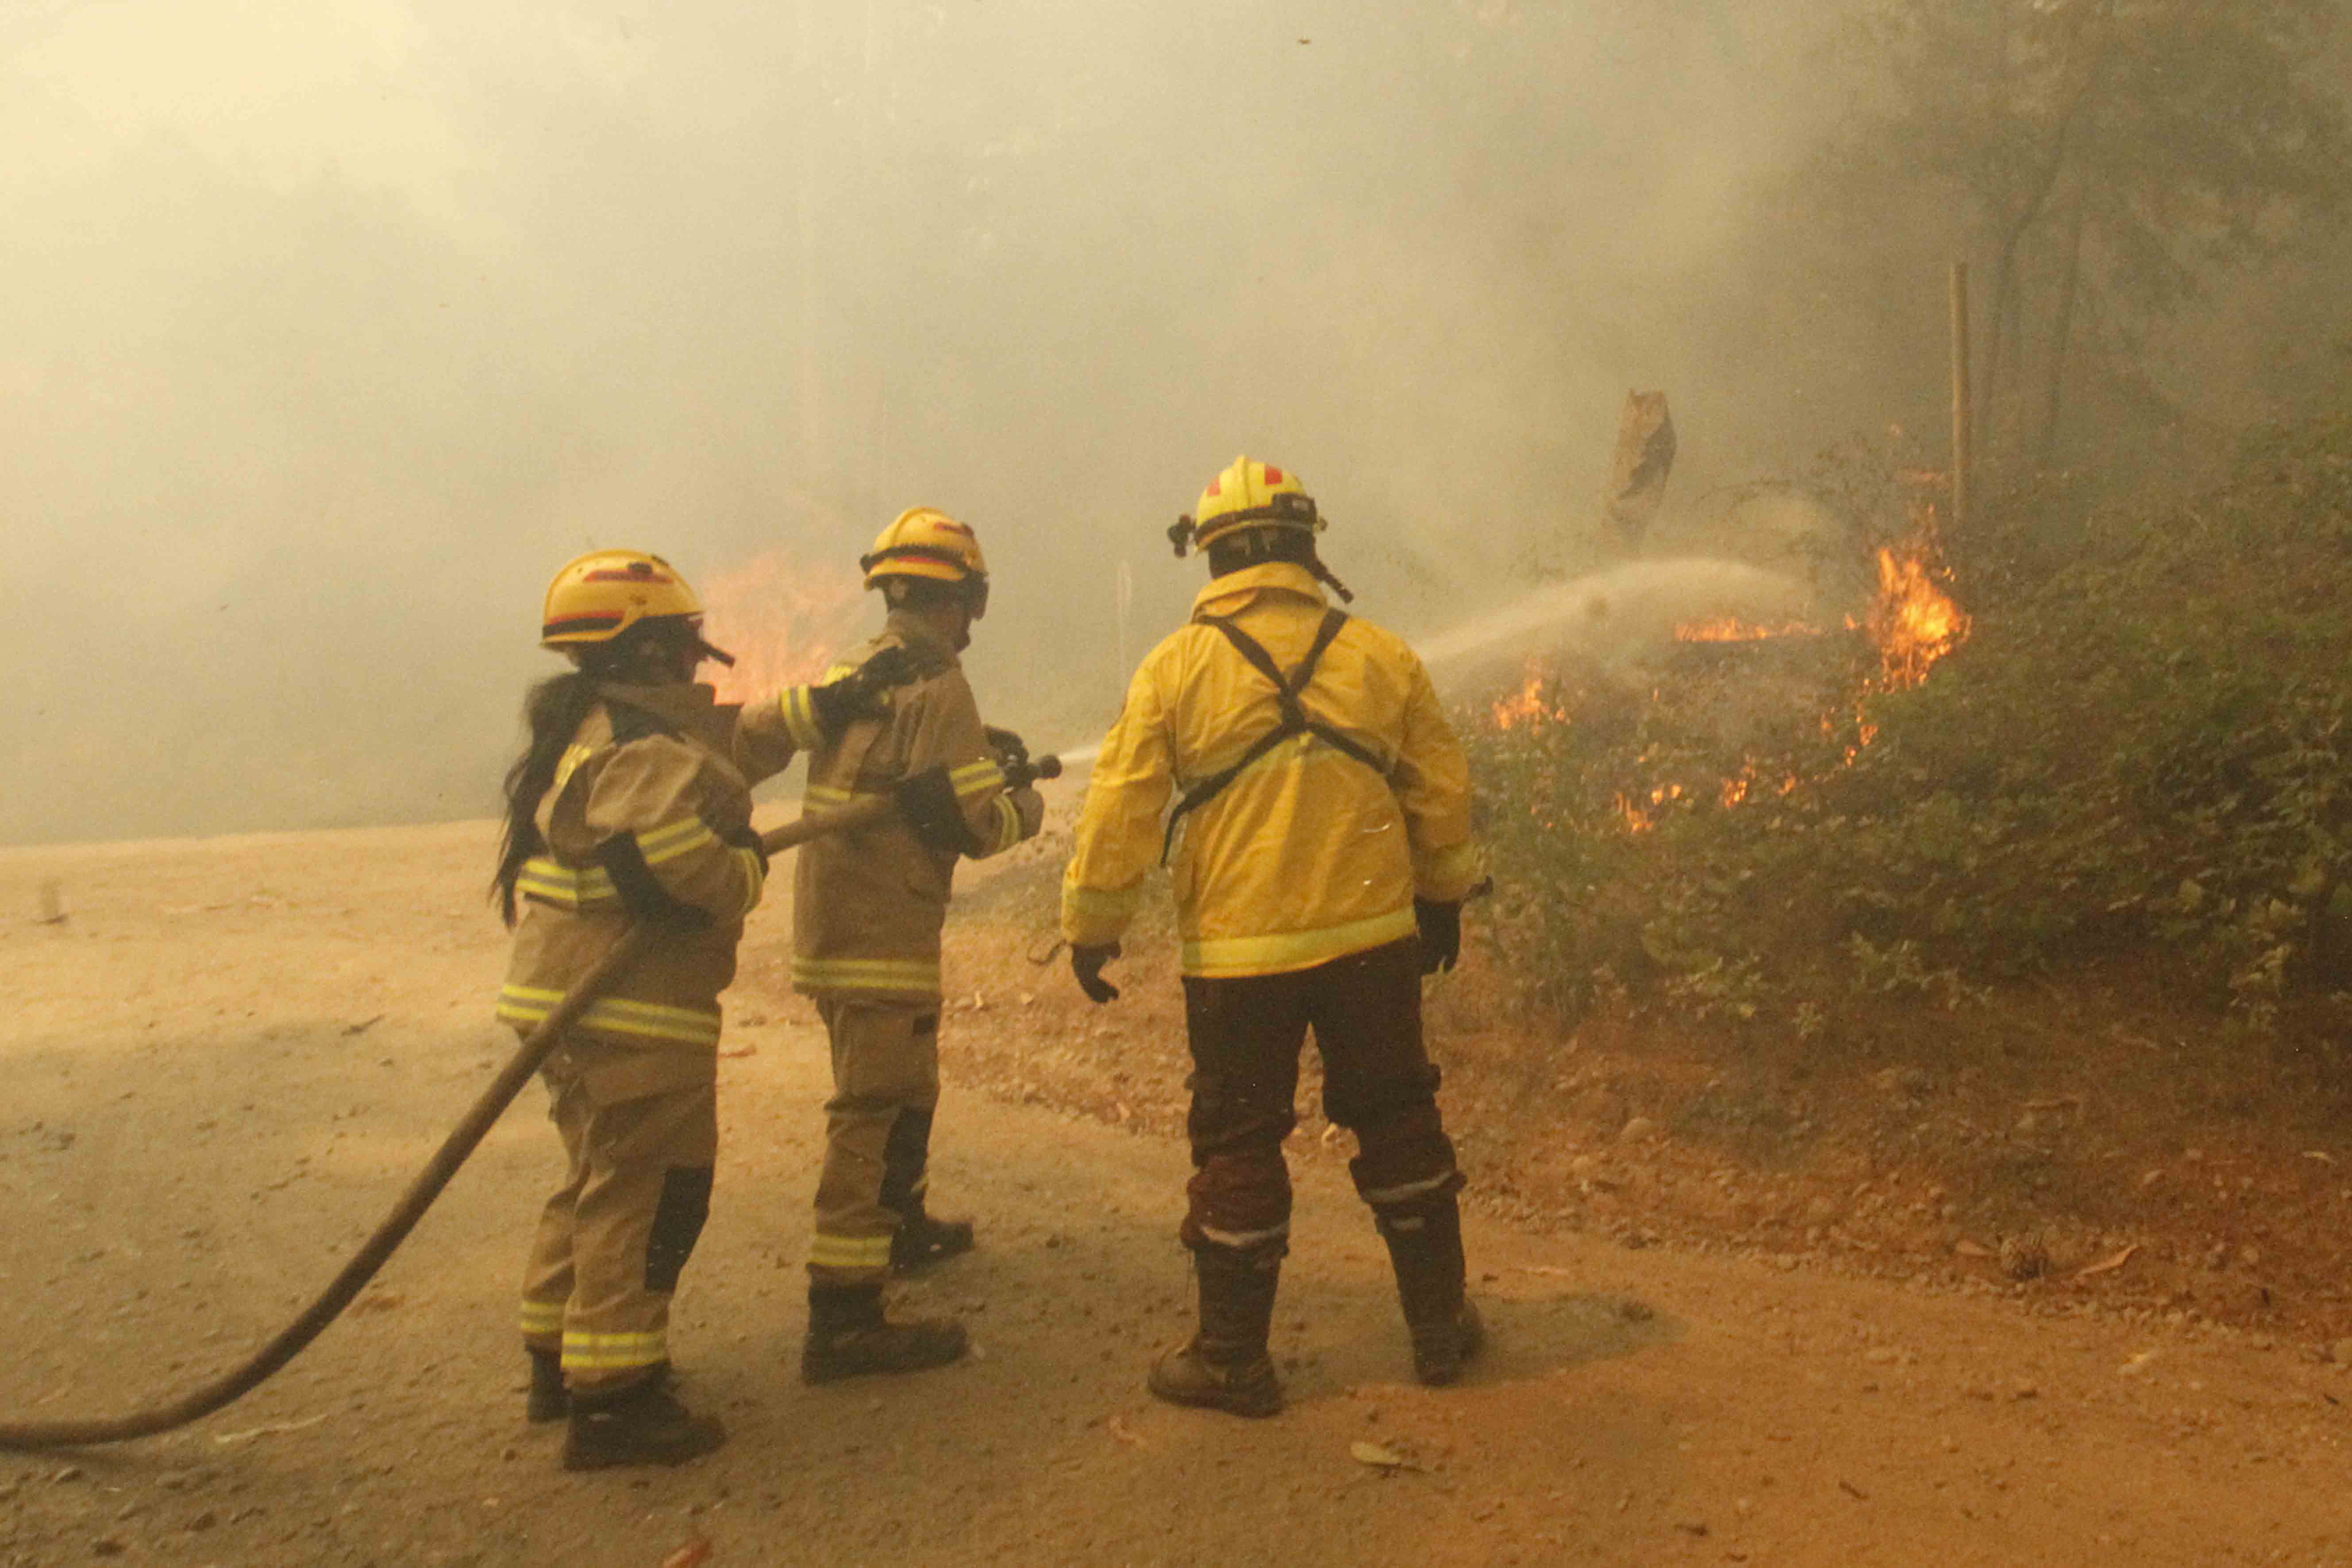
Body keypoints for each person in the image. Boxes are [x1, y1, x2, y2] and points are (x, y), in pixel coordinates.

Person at [1060, 456, 1483, 1417]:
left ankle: (1232, 1361)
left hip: (1238, 961)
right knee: (1399, 1117)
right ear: (1307, 547)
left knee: (1239, 1139)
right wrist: (1444, 897)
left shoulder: (1178, 665)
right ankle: (1439, 1329)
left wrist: (1093, 927)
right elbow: (1440, 789)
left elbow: (1120, 806)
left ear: (1212, 556)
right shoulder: (1379, 652)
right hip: (1374, 946)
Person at [492, 548, 908, 1470]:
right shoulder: (643, 750)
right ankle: (617, 1402)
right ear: (646, 651)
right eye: (685, 644)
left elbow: (733, 746)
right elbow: (681, 873)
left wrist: (824, 706)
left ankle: (557, 1361)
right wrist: (748, 868)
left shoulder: (603, 723)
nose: (696, 661)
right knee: (648, 1194)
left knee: (597, 1175)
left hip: (563, 1000)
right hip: (629, 1011)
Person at [792, 507, 1045, 1383]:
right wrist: (1029, 809)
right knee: (871, 1108)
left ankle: (902, 1225)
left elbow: (914, 777)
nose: (973, 625)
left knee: (905, 1076)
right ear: (953, 600)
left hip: (840, 920)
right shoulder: (939, 684)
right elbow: (969, 820)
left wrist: (981, 751)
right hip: (882, 930)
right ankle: (846, 1314)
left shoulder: (860, 668)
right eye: (971, 604)